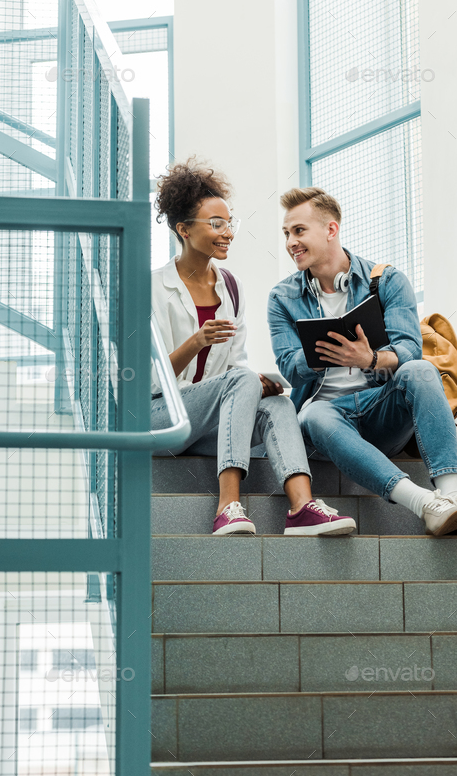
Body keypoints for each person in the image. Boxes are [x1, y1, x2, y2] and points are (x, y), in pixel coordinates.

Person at [267, 186, 457, 537]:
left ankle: (453, 499)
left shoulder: (386, 280)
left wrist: (369, 358)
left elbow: (409, 350)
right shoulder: (282, 298)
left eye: (298, 231)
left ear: (331, 230)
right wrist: (320, 354)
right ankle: (423, 503)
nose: (290, 242)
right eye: (286, 233)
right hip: (327, 422)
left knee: (420, 371)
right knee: (313, 412)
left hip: (380, 411)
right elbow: (287, 366)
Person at [151, 161, 356, 537]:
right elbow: (148, 381)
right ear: (183, 230)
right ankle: (228, 506)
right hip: (159, 417)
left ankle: (302, 508)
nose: (228, 232)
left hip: (207, 422)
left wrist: (258, 382)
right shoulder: (151, 288)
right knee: (240, 381)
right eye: (216, 224)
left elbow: (236, 365)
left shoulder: (230, 286)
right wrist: (196, 342)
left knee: (277, 402)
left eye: (230, 222)